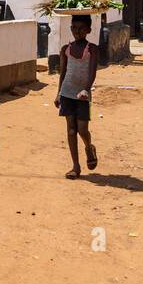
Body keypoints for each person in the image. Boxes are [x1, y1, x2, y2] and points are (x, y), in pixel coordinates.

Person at [55, 14, 99, 179]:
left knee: (82, 129)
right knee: (71, 130)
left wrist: (86, 89)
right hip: (67, 92)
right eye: (74, 28)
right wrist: (59, 93)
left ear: (88, 30)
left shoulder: (92, 49)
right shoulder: (65, 49)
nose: (77, 31)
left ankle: (89, 147)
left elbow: (92, 72)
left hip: (82, 95)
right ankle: (75, 166)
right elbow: (63, 73)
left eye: (81, 28)